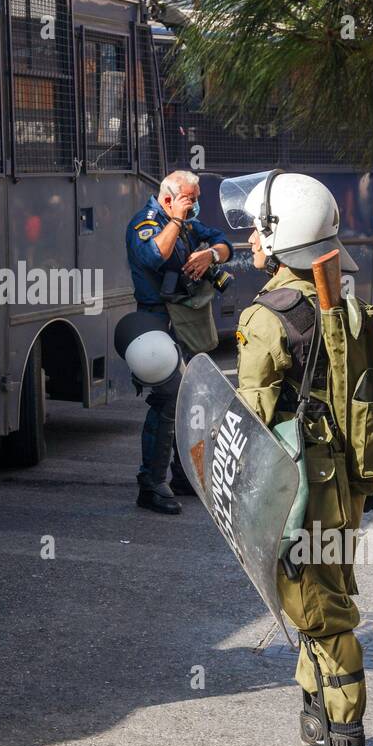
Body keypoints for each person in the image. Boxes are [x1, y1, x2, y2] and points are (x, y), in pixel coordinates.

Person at [224, 169, 373, 746]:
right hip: (343, 484)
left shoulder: (267, 319)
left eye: (256, 227)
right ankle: (321, 724)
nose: (248, 237)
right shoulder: (341, 301)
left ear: (280, 235)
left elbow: (252, 423)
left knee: (322, 615)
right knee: (320, 598)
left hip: (300, 492)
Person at [124, 170, 233, 513]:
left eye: (197, 198)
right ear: (169, 199)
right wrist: (175, 219)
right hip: (154, 323)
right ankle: (151, 484)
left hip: (182, 321)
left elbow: (223, 240)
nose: (196, 205)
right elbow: (154, 256)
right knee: (167, 398)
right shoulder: (146, 223)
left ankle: (184, 475)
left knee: (189, 397)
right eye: (191, 199)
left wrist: (209, 256)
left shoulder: (186, 221)